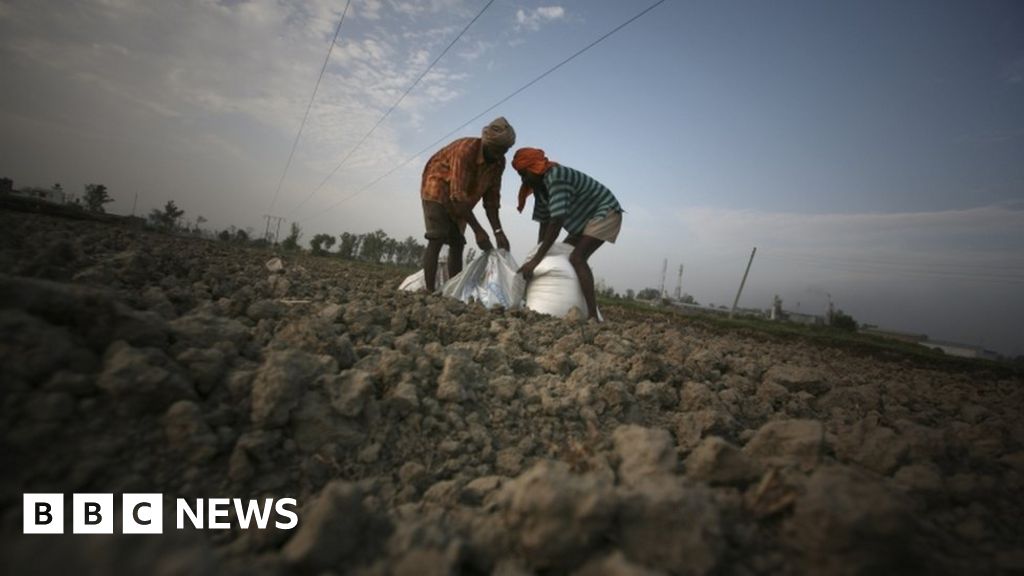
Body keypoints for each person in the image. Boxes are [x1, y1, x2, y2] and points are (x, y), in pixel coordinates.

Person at [512, 147, 623, 320]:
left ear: (535, 167)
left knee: (577, 258)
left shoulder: (556, 177)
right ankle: (578, 308)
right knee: (562, 253)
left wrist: (535, 261)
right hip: (587, 218)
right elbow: (545, 222)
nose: (524, 180)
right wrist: (539, 253)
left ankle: (592, 315)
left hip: (605, 211)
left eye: (524, 174)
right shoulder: (540, 188)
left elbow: (556, 222)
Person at [419, 117, 516, 292]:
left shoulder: (499, 163)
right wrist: (478, 231)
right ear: (487, 142)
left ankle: (453, 290)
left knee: (457, 242)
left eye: (505, 150)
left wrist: (498, 231)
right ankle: (429, 290)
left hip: (463, 197)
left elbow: (491, 200)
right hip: (437, 187)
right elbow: (457, 196)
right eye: (497, 149)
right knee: (437, 236)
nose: (500, 154)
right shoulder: (466, 150)